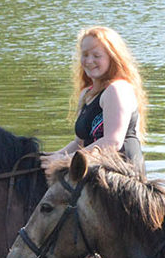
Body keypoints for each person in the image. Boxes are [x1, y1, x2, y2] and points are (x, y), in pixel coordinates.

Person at [42, 26, 148, 175]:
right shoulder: (86, 93)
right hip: (93, 170)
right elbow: (79, 143)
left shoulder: (117, 90)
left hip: (123, 176)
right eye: (85, 55)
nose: (89, 61)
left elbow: (113, 142)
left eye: (97, 55)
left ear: (112, 57)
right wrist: (53, 156)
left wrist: (65, 161)